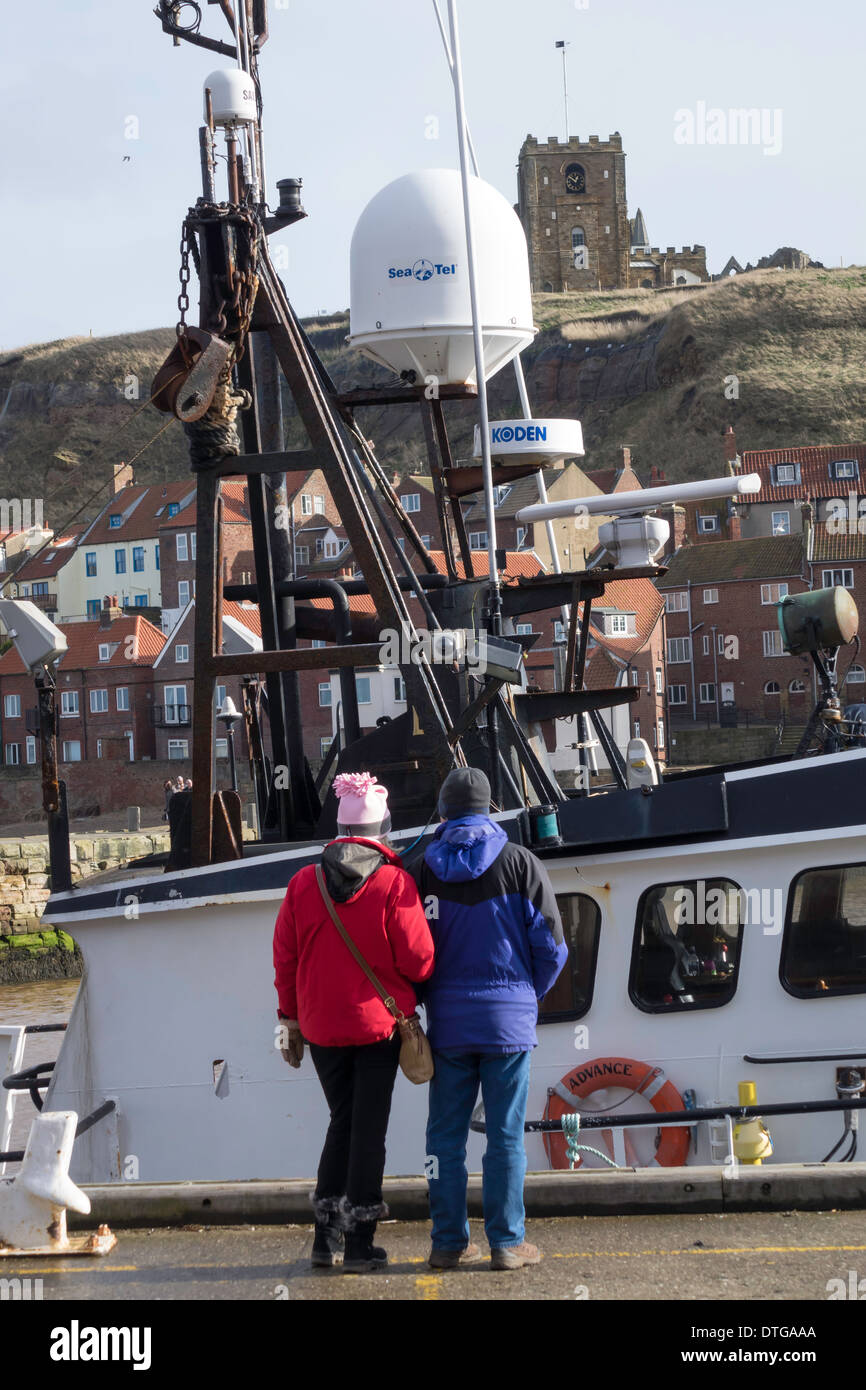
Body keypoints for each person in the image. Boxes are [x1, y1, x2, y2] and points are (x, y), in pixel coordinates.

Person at [273, 771, 434, 1273]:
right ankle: (361, 1245)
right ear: (383, 829)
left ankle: (325, 1239)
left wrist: (289, 1019)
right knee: (368, 1132)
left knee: (342, 1122)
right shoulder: (393, 882)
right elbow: (419, 959)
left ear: (339, 829)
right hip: (377, 1029)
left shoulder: (303, 882)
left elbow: (285, 959)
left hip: (321, 1029)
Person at [410, 767, 568, 1271]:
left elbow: (408, 951)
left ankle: (447, 1242)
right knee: (504, 1136)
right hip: (508, 1025)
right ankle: (507, 1242)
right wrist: (525, 996)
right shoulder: (522, 863)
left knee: (443, 1139)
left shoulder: (420, 871)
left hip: (448, 1026)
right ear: (490, 808)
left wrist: (425, 997)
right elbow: (553, 948)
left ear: (442, 812)